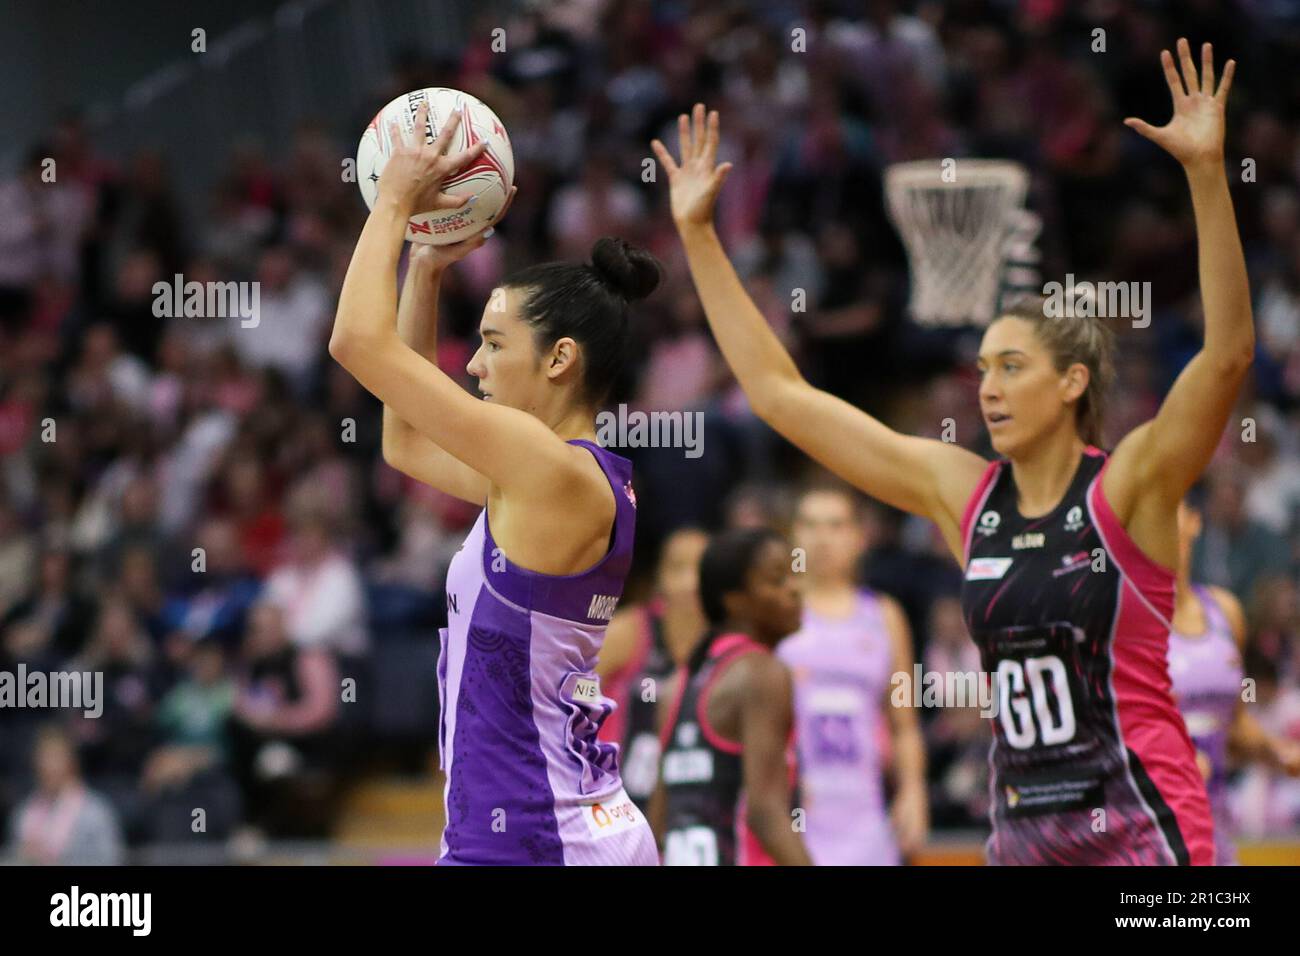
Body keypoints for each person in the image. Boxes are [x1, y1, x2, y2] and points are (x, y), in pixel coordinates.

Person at [653, 40, 1251, 864]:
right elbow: (781, 399)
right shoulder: (961, 492)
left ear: (1074, 382)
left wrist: (1208, 175)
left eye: (1012, 367)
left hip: (1145, 833)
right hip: (1024, 840)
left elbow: (1225, 358)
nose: (988, 388)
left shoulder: (1133, 486)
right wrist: (700, 238)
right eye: (981, 370)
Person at [330, 102, 661, 865]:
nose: (472, 366)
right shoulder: (550, 476)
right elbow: (404, 442)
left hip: (538, 837)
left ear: (559, 359)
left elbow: (354, 340)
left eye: (491, 343)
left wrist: (392, 204)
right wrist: (424, 266)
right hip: (552, 827)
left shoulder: (545, 466)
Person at [779, 483, 927, 864]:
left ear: (860, 537)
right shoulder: (777, 610)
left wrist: (913, 791)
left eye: (836, 525)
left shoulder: (884, 616)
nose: (822, 539)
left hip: (864, 819)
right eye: (810, 525)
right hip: (789, 816)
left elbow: (904, 724)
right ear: (793, 534)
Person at [654, 528, 811, 866]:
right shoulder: (762, 673)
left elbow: (658, 820)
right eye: (777, 580)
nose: (795, 589)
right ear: (735, 600)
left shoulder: (678, 683)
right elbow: (765, 815)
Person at [1168, 499, 1300, 864]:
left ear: (1194, 521)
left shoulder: (1224, 610)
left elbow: (1235, 726)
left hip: (1215, 835)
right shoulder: (1123, 619)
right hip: (1149, 836)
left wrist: (1280, 752)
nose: (1156, 519)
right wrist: (1167, 759)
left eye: (1168, 506)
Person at [597, 527, 709, 807]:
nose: (690, 581)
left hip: (687, 804)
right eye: (678, 568)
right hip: (616, 804)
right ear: (660, 575)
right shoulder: (629, 631)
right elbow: (569, 702)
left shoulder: (727, 644)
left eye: (700, 568)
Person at [8, 724, 124, 865]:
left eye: (55, 758)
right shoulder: (24, 813)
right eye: (43, 759)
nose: (48, 766)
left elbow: (111, 860)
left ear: (71, 762)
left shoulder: (95, 812)